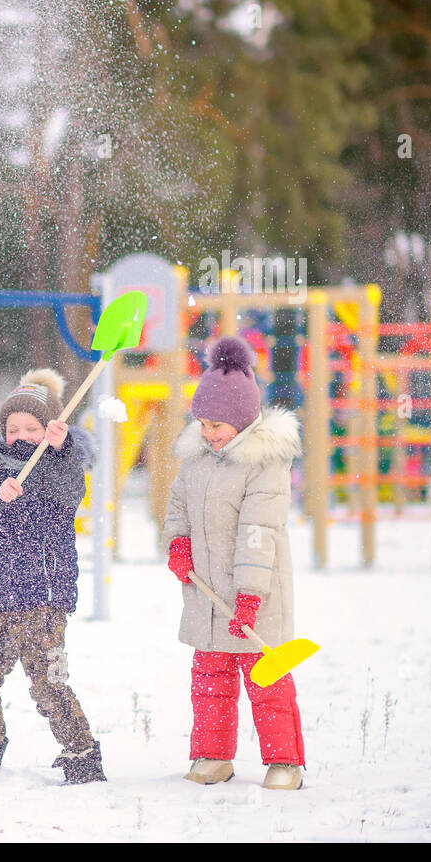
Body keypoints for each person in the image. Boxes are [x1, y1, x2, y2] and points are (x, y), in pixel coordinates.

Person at [0, 369, 105, 784]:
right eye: (13, 428)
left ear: (50, 427)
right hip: (1, 592)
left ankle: (82, 753)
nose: (22, 435)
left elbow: (70, 492)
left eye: (32, 427)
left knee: (47, 684)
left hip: (45, 596)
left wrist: (60, 448)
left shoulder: (61, 464)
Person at [163, 335, 306, 790]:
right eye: (202, 423)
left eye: (217, 424)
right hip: (207, 596)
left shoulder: (265, 465)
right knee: (209, 678)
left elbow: (257, 533)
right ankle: (212, 755)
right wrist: (178, 542)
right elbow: (177, 506)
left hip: (254, 595)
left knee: (267, 681)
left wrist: (249, 595)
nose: (208, 433)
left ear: (243, 420)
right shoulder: (197, 460)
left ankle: (285, 762)